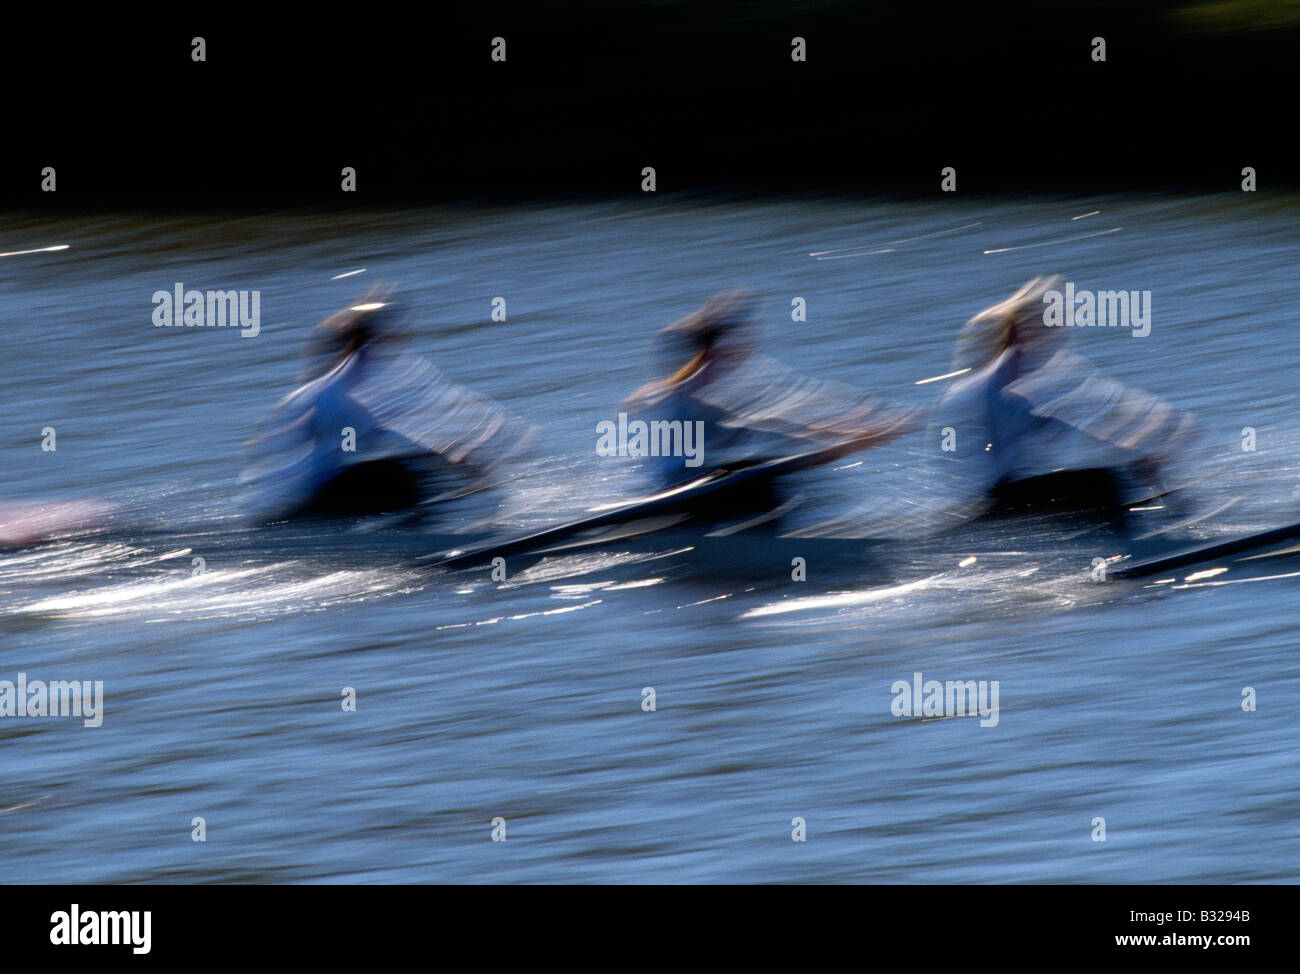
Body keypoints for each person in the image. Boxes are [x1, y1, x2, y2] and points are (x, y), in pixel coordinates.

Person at [238, 289, 532, 522]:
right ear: (355, 350)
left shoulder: (330, 392)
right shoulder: (327, 395)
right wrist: (455, 461)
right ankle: (418, 542)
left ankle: (412, 530)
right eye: (373, 348)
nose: (380, 358)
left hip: (287, 505)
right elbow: (381, 437)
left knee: (399, 471)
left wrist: (453, 460)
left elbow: (380, 435)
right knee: (395, 475)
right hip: (290, 509)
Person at [930, 275, 1198, 517]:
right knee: (1102, 481)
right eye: (1051, 328)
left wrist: (1152, 435)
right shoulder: (997, 387)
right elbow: (1060, 426)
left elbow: (1097, 409)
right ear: (1023, 334)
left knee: (1101, 479)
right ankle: (1132, 552)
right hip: (989, 501)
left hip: (995, 493)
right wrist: (1135, 455)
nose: (1058, 337)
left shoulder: (1015, 377)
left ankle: (1147, 529)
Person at [620, 289, 917, 489]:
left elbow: (776, 424)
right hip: (675, 490)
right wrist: (856, 436)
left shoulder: (694, 388)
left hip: (689, 483)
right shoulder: (692, 394)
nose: (748, 346)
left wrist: (856, 432)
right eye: (742, 338)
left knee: (771, 467)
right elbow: (774, 427)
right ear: (720, 348)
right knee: (769, 471)